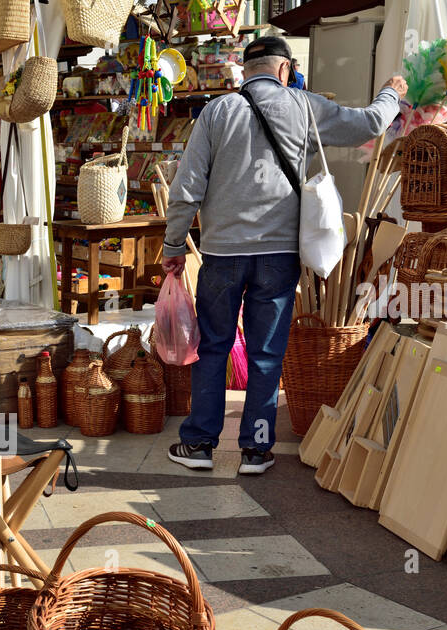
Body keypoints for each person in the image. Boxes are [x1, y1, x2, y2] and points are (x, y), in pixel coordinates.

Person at [161, 35, 405, 476]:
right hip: (278, 255)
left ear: (246, 73)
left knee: (213, 346)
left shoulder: (217, 112)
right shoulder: (303, 105)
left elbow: (186, 188)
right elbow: (369, 123)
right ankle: (256, 449)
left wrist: (174, 246)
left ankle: (198, 444)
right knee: (266, 352)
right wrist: (392, 92)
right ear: (284, 70)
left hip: (221, 253)